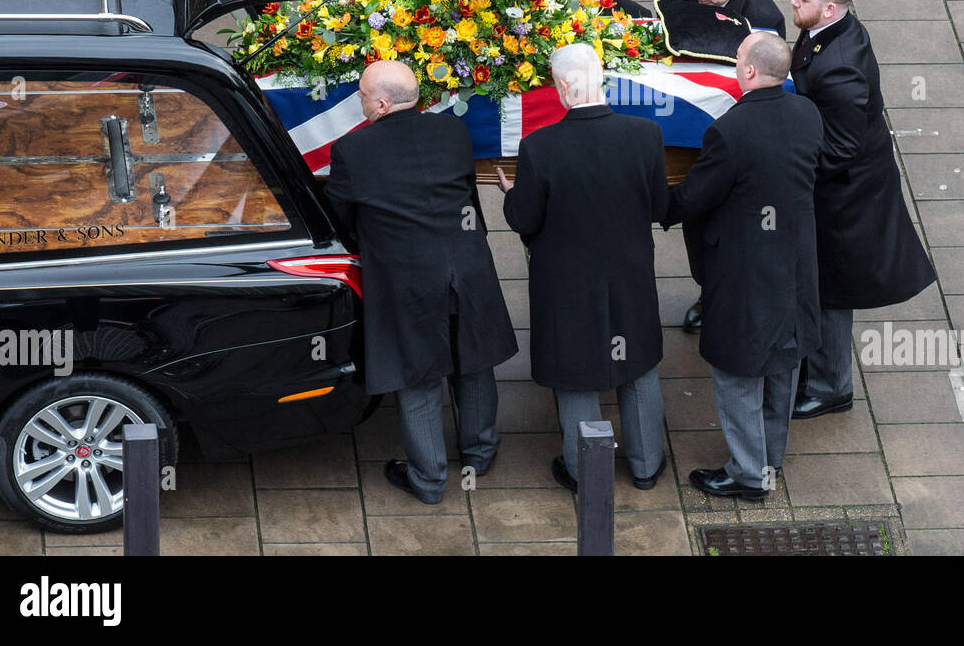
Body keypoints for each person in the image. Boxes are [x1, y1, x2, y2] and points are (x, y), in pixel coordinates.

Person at [326, 60, 517, 503]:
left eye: (361, 94)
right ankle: (479, 453)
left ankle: (429, 479)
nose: (359, 100)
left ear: (381, 102)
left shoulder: (352, 152)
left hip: (407, 277)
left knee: (418, 373)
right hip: (466, 265)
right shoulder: (453, 132)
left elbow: (342, 219)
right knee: (472, 358)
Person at [497, 44, 669, 491]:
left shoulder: (539, 147)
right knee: (638, 364)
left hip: (567, 282)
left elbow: (525, 219)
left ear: (563, 85)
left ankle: (585, 472)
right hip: (629, 273)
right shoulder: (645, 134)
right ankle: (647, 466)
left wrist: (512, 193)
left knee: (574, 373)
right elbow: (656, 204)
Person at [664, 32, 823, 499]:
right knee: (782, 365)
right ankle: (770, 459)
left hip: (747, 272)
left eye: (737, 58)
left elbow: (695, 197)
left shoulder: (730, 131)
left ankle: (749, 474)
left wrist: (655, 201)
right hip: (796, 266)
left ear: (750, 72)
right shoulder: (807, 114)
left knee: (738, 374)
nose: (735, 63)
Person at [788, 0, 937, 420]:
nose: (792, 3)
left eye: (802, 0)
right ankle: (820, 374)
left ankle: (832, 386)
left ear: (829, 8)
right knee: (820, 285)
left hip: (844, 199)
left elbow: (842, 149)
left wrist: (793, 171)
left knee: (832, 291)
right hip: (841, 188)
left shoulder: (840, 69)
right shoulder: (828, 31)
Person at [660, 0, 786, 333]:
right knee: (697, 224)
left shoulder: (765, 18)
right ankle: (707, 289)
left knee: (729, 224)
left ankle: (725, 295)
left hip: (734, 132)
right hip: (688, 121)